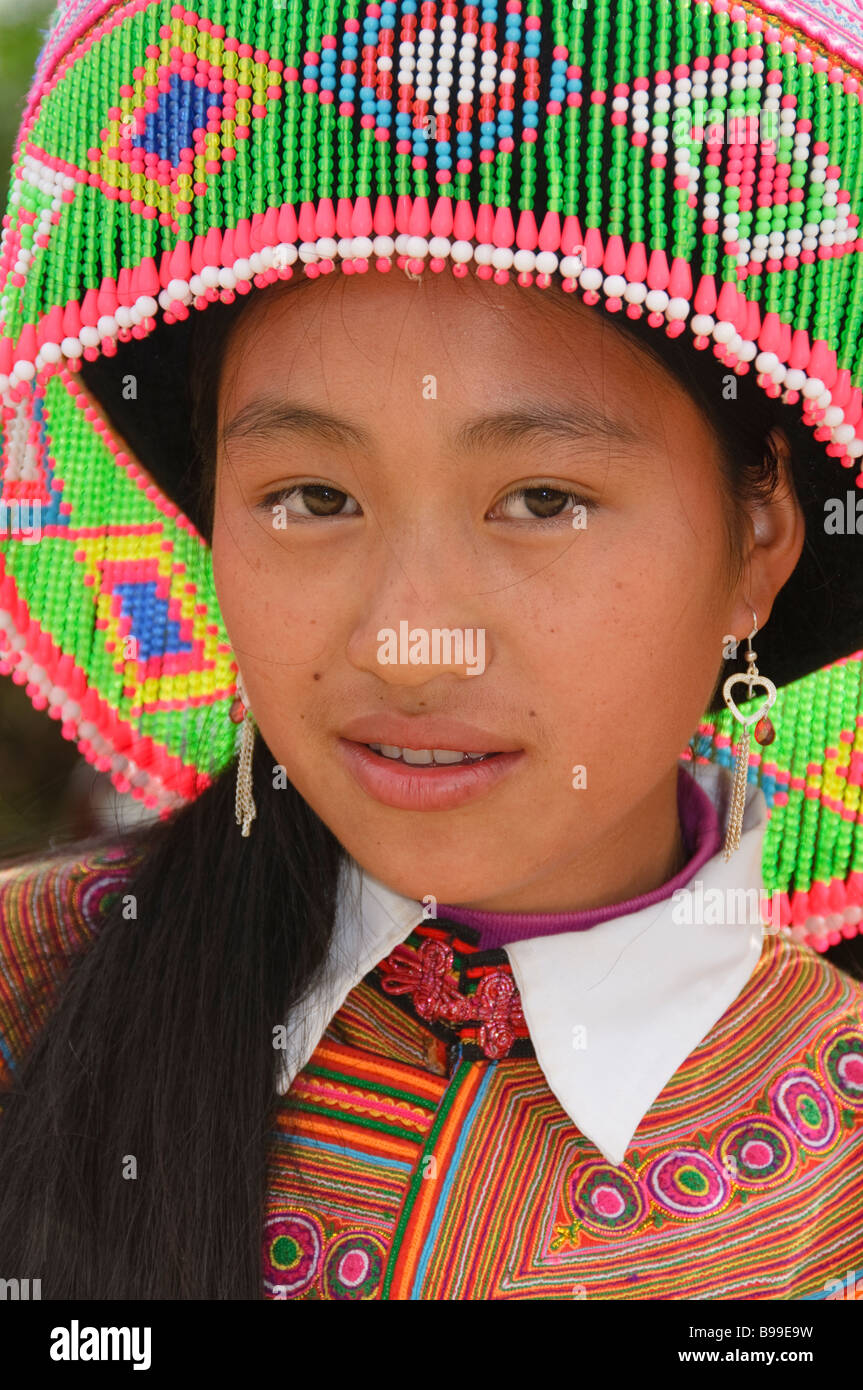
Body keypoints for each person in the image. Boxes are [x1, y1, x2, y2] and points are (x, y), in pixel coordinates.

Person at [0, 0, 862, 1301]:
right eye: (312, 498)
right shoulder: (28, 993)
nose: (408, 641)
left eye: (542, 501)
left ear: (759, 537)